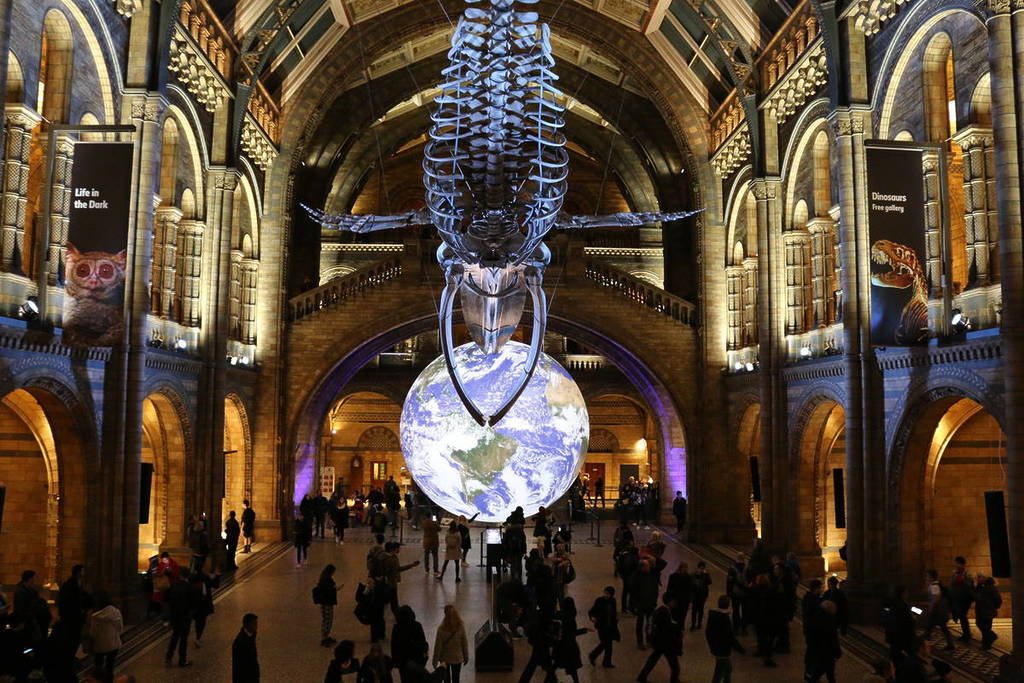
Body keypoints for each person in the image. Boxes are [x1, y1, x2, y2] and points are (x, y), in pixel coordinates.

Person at [636, 592, 682, 683]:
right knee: (674, 665)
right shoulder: (665, 612)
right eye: (673, 601)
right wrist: (676, 628)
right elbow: (667, 627)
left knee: (652, 660)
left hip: (659, 642)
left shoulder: (661, 610)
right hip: (665, 643)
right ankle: (674, 680)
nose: (675, 603)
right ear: (670, 602)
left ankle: (642, 676)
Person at [706, 595, 743, 683]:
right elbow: (730, 636)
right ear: (728, 605)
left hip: (715, 647)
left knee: (727, 668)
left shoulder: (713, 615)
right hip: (723, 649)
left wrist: (711, 644)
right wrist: (740, 649)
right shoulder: (725, 619)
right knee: (719, 673)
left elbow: (708, 632)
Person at [88, 590, 123, 683]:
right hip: (114, 643)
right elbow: (120, 628)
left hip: (100, 646)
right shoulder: (116, 612)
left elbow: (93, 633)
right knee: (110, 667)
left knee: (98, 667)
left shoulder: (95, 617)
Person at [164, 569, 196, 667]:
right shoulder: (189, 587)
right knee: (183, 639)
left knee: (174, 637)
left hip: (175, 617)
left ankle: (168, 658)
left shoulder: (174, 586)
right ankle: (182, 660)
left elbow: (166, 599)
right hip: (185, 617)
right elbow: (193, 603)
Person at [553, 597, 589, 683]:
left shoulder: (561, 616)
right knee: (572, 668)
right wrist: (584, 630)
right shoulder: (571, 616)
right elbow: (573, 633)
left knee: (554, 665)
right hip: (571, 646)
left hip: (561, 645)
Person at [804, 600, 841, 683]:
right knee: (827, 671)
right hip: (827, 651)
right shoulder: (829, 621)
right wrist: (837, 652)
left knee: (823, 670)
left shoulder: (815, 617)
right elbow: (833, 639)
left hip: (817, 649)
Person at [58, 564, 90, 656]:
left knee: (75, 638)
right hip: (71, 616)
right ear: (78, 572)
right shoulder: (70, 584)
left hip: (76, 615)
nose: (84, 573)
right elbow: (70, 600)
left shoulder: (78, 583)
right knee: (72, 638)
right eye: (83, 571)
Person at [14, 569, 51, 647]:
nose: (36, 580)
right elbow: (20, 609)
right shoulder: (20, 592)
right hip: (28, 623)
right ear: (30, 579)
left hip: (34, 621)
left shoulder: (33, 591)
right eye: (35, 578)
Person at [382, 542, 421, 615]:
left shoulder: (385, 557)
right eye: (397, 548)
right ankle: (397, 615)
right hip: (391, 582)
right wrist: (411, 565)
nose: (398, 550)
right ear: (392, 549)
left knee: (391, 599)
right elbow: (398, 569)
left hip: (388, 582)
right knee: (394, 601)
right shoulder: (391, 560)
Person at [391, 605, 427, 683]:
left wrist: (395, 661)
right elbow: (423, 643)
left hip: (403, 662)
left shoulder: (397, 628)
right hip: (416, 660)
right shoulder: (417, 626)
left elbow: (394, 646)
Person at [433, 605, 469, 683]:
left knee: (446, 679)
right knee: (456, 679)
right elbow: (464, 643)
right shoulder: (460, 627)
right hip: (457, 658)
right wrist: (466, 656)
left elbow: (438, 647)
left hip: (445, 659)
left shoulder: (441, 629)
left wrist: (435, 661)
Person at [587, 586, 619, 668]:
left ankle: (605, 662)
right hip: (601, 626)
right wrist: (592, 617)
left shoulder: (613, 601)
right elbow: (591, 611)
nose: (605, 595)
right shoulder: (599, 601)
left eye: (607, 594)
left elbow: (614, 613)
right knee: (605, 643)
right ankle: (593, 656)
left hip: (610, 626)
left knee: (608, 645)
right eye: (605, 593)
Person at [630, 560, 659, 649]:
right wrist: (634, 604)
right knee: (640, 623)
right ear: (642, 567)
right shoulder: (636, 576)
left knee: (650, 623)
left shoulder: (651, 575)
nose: (649, 567)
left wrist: (654, 600)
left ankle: (649, 640)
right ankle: (640, 642)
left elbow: (655, 589)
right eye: (647, 566)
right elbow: (633, 591)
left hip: (650, 603)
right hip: (641, 604)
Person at [923, 569, 955, 650]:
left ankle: (924, 643)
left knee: (930, 627)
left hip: (937, 611)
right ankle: (950, 644)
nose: (926, 578)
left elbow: (936, 597)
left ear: (931, 577)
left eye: (927, 576)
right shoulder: (935, 585)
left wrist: (931, 607)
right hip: (938, 611)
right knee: (937, 628)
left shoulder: (934, 586)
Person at [191, 567, 220, 648]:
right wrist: (217, 576)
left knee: (198, 621)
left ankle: (198, 637)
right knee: (201, 621)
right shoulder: (206, 578)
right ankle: (198, 637)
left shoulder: (192, 578)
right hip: (204, 604)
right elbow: (216, 585)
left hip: (195, 604)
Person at [949, 555, 974, 641]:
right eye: (955, 564)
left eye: (957, 564)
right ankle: (966, 634)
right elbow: (951, 584)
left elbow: (969, 587)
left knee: (963, 617)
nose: (956, 566)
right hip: (956, 598)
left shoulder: (967, 574)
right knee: (960, 616)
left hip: (964, 599)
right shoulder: (954, 573)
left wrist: (962, 581)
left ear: (962, 564)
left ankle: (966, 635)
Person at [316, 564, 341, 646]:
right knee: (328, 619)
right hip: (327, 602)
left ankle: (326, 636)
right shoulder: (327, 580)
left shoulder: (324, 578)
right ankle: (324, 637)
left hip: (324, 602)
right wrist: (335, 589)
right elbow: (328, 590)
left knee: (326, 619)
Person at [974, 575, 1002, 650]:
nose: (978, 579)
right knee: (982, 626)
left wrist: (993, 607)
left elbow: (998, 600)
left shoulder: (991, 588)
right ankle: (987, 644)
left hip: (987, 611)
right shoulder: (982, 587)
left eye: (980, 578)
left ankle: (989, 640)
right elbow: (975, 595)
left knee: (984, 627)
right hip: (981, 611)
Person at [232, 613, 259, 683]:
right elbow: (239, 666)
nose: (256, 626)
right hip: (245, 678)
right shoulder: (240, 642)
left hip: (252, 676)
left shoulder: (251, 636)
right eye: (254, 623)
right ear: (247, 625)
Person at [666, 561, 693, 627]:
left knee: (680, 617)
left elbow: (690, 590)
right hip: (677, 600)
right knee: (677, 617)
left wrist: (690, 601)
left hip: (682, 601)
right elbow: (669, 589)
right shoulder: (674, 576)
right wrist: (669, 600)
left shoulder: (688, 577)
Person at [616, 540, 639, 615]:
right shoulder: (633, 554)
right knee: (631, 592)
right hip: (631, 575)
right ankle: (631, 607)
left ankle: (624, 608)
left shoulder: (623, 553)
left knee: (625, 592)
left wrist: (621, 573)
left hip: (626, 575)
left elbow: (620, 565)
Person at [725, 555, 747, 634]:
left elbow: (729, 582)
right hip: (745, 593)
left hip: (735, 593)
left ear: (736, 558)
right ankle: (744, 629)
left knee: (736, 611)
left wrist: (728, 593)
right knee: (745, 612)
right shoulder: (747, 568)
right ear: (743, 559)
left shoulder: (732, 568)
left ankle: (736, 628)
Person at [690, 561, 711, 630]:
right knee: (694, 610)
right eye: (700, 568)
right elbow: (691, 582)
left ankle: (699, 623)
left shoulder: (706, 574)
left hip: (703, 595)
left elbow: (709, 582)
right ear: (698, 567)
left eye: (703, 568)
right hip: (695, 595)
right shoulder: (693, 573)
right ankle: (693, 624)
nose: (701, 569)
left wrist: (706, 575)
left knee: (701, 609)